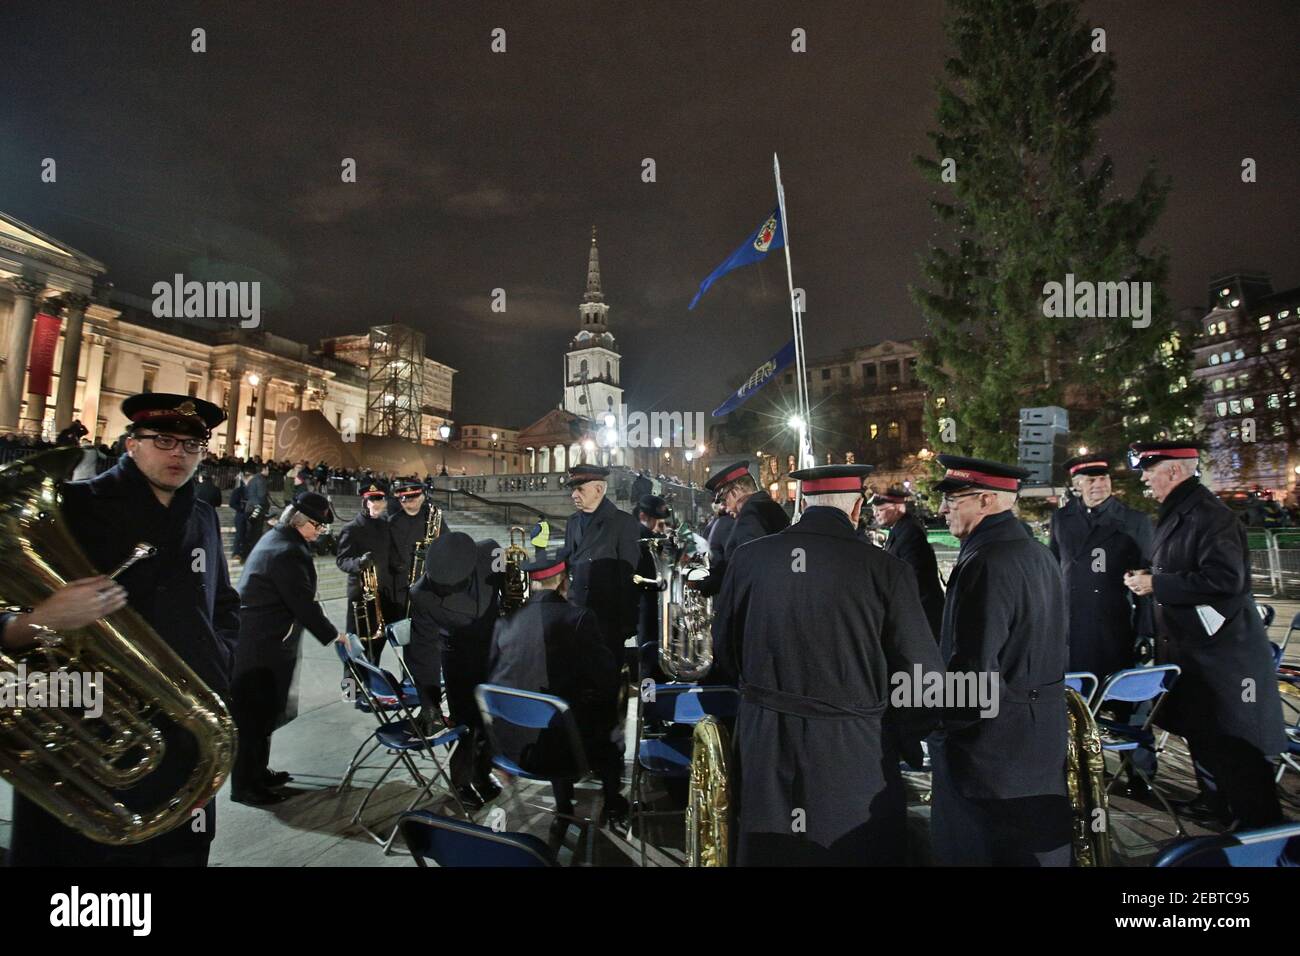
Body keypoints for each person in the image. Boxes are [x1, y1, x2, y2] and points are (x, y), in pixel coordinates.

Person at [2, 393, 237, 866]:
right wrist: (39, 620)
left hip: (185, 737)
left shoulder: (204, 516)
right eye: (164, 440)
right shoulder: (74, 506)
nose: (178, 454)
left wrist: (222, 659)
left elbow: (225, 604)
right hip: (87, 743)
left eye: (193, 445)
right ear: (132, 444)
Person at [710, 464, 943, 865]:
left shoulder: (749, 559)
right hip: (854, 754)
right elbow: (923, 679)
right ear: (855, 510)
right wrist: (898, 735)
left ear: (802, 502)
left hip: (767, 744)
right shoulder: (887, 570)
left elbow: (726, 652)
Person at [1123, 441, 1286, 828]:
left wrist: (1155, 584)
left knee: (1240, 761)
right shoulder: (1181, 511)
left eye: (1150, 469)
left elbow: (1227, 579)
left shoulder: (1211, 516)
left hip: (1225, 665)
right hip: (1197, 659)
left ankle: (1263, 841)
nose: (1145, 479)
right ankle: (1218, 810)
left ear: (1175, 471)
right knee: (1208, 742)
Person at [929, 455, 1071, 867]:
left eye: (954, 500)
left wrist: (940, 726)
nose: (943, 509)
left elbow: (974, 673)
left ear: (987, 500)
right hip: (1035, 739)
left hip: (990, 753)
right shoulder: (1036, 553)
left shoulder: (986, 562)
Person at [487, 552, 628, 834]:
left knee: (547, 711)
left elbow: (494, 681)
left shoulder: (504, 623)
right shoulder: (578, 618)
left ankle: (564, 807)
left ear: (532, 583)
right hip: (569, 752)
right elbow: (606, 677)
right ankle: (613, 803)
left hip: (518, 751)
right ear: (564, 582)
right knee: (604, 715)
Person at [1049, 454, 1157, 794]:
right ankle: (1075, 770)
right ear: (1076, 485)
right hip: (1071, 627)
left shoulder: (1134, 521)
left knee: (1129, 704)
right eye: (1090, 481)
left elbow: (1147, 580)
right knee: (1073, 704)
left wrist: (1145, 629)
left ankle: (1140, 774)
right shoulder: (1062, 520)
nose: (1098, 486)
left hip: (1116, 626)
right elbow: (1055, 568)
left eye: (1104, 479)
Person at [230, 491, 341, 805]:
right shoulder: (287, 551)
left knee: (262, 715)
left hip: (264, 644)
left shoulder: (278, 540)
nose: (319, 532)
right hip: (261, 649)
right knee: (252, 720)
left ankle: (258, 773)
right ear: (301, 522)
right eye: (317, 526)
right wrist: (333, 635)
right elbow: (303, 603)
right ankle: (245, 787)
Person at [406, 531, 503, 808]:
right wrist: (430, 704)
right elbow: (422, 653)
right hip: (458, 656)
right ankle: (461, 783)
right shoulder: (421, 594)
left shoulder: (492, 550)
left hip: (495, 648)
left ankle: (483, 774)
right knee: (465, 725)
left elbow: (507, 587)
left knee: (492, 721)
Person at [558, 464, 641, 662]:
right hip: (576, 617)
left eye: (580, 489)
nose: (574, 495)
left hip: (607, 621)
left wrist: (626, 623)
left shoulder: (624, 523)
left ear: (598, 489)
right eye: (573, 489)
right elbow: (568, 563)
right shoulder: (572, 522)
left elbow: (629, 576)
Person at [696, 460, 789, 597]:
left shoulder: (750, 516)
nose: (726, 508)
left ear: (735, 492)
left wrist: (704, 583)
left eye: (724, 499)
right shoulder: (772, 509)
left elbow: (743, 569)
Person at [871, 486, 945, 641]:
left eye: (881, 509)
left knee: (919, 664)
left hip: (922, 614)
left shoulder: (910, 532)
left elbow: (914, 576)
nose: (875, 513)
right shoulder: (901, 528)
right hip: (917, 612)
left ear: (897, 508)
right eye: (874, 509)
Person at [336, 479, 395, 664]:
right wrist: (359, 563)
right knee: (355, 649)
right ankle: (351, 691)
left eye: (380, 500)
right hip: (360, 597)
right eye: (372, 500)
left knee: (377, 646)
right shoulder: (352, 528)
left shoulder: (388, 525)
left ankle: (373, 688)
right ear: (365, 502)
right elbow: (342, 560)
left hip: (383, 593)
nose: (376, 504)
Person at [388, 477, 448, 618]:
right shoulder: (392, 522)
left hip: (429, 583)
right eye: (405, 499)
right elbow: (387, 553)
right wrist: (399, 566)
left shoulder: (433, 517)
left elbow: (446, 543)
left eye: (413, 498)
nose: (409, 503)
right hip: (403, 585)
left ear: (422, 497)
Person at [633, 494, 670, 680]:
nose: (660, 526)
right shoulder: (639, 538)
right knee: (649, 658)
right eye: (657, 521)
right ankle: (650, 701)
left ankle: (655, 698)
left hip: (654, 604)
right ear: (643, 517)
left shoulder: (651, 535)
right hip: (646, 605)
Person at [239, 462, 270, 560]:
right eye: (267, 469)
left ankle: (245, 554)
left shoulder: (253, 480)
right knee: (256, 533)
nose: (268, 472)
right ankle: (254, 555)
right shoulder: (261, 480)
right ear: (263, 470)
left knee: (250, 533)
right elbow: (262, 496)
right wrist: (265, 508)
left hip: (250, 508)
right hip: (257, 510)